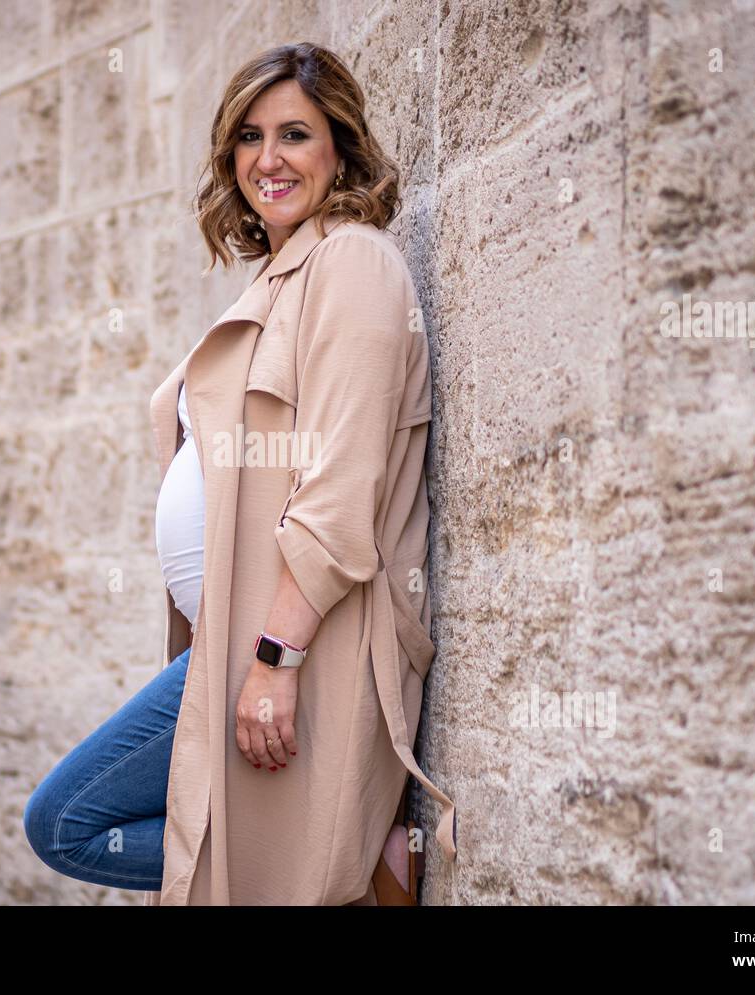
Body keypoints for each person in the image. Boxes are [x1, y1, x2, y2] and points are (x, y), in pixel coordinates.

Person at [24, 42, 455, 905]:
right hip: (231, 643)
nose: (268, 159)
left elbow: (341, 486)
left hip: (295, 644)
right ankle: (352, 858)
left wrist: (273, 660)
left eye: (295, 133)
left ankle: (357, 852)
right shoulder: (281, 279)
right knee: (160, 836)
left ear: (340, 146)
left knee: (67, 819)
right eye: (248, 138)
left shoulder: (354, 264)